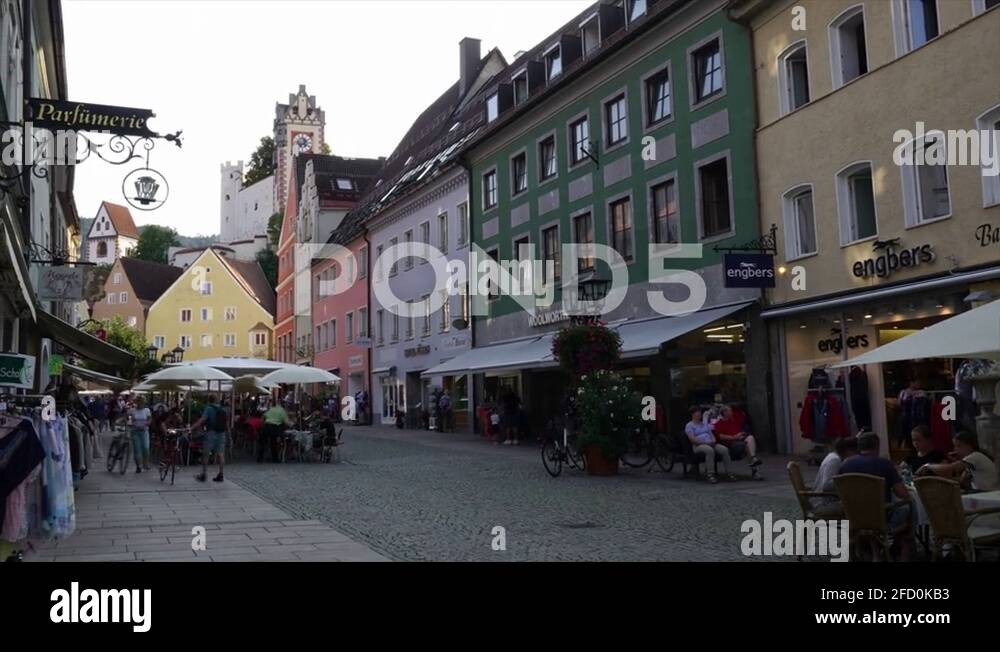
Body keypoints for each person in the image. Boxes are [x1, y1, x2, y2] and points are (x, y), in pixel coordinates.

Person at [838, 432, 913, 560]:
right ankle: (904, 551)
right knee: (909, 507)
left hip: (853, 516)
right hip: (882, 516)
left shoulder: (845, 464)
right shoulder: (884, 464)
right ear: (877, 447)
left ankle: (871, 550)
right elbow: (902, 493)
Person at [917, 431, 999, 491]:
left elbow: (948, 468)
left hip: (988, 493)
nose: (955, 449)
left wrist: (928, 466)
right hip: (981, 493)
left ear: (969, 445)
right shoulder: (970, 460)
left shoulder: (975, 456)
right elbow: (961, 481)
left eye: (958, 446)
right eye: (955, 446)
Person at [684, 406, 734, 484]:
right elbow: (693, 440)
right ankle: (710, 474)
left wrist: (713, 441)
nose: (699, 415)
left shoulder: (704, 423)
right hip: (699, 445)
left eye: (699, 413)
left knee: (724, 449)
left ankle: (730, 473)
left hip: (710, 443)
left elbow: (710, 433)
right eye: (697, 413)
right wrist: (706, 443)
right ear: (692, 414)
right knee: (709, 450)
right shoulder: (689, 425)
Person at [713, 404, 763, 479]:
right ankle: (755, 471)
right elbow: (721, 437)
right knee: (746, 445)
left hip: (740, 440)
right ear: (725, 412)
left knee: (750, 438)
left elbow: (742, 424)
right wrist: (734, 437)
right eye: (729, 411)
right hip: (730, 444)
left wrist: (742, 434)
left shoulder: (734, 420)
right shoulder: (718, 424)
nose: (731, 412)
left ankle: (753, 458)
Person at [191, 394, 227, 482]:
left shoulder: (209, 408)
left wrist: (192, 427)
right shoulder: (222, 409)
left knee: (206, 453)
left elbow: (202, 419)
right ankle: (221, 474)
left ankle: (204, 474)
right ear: (216, 400)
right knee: (221, 454)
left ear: (209, 400)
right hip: (221, 433)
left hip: (211, 432)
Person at [812, 436, 858, 502]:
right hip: (824, 501)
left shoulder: (834, 457)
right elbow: (826, 485)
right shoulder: (835, 460)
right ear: (849, 451)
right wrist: (846, 480)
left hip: (826, 498)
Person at [128, 396, 152, 474]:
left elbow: (149, 419)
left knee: (146, 447)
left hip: (144, 431)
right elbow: (128, 418)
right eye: (139, 402)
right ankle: (138, 466)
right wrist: (130, 423)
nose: (141, 403)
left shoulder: (147, 410)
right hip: (135, 431)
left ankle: (146, 463)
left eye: (142, 402)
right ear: (137, 402)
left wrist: (146, 423)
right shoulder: (132, 411)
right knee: (137, 449)